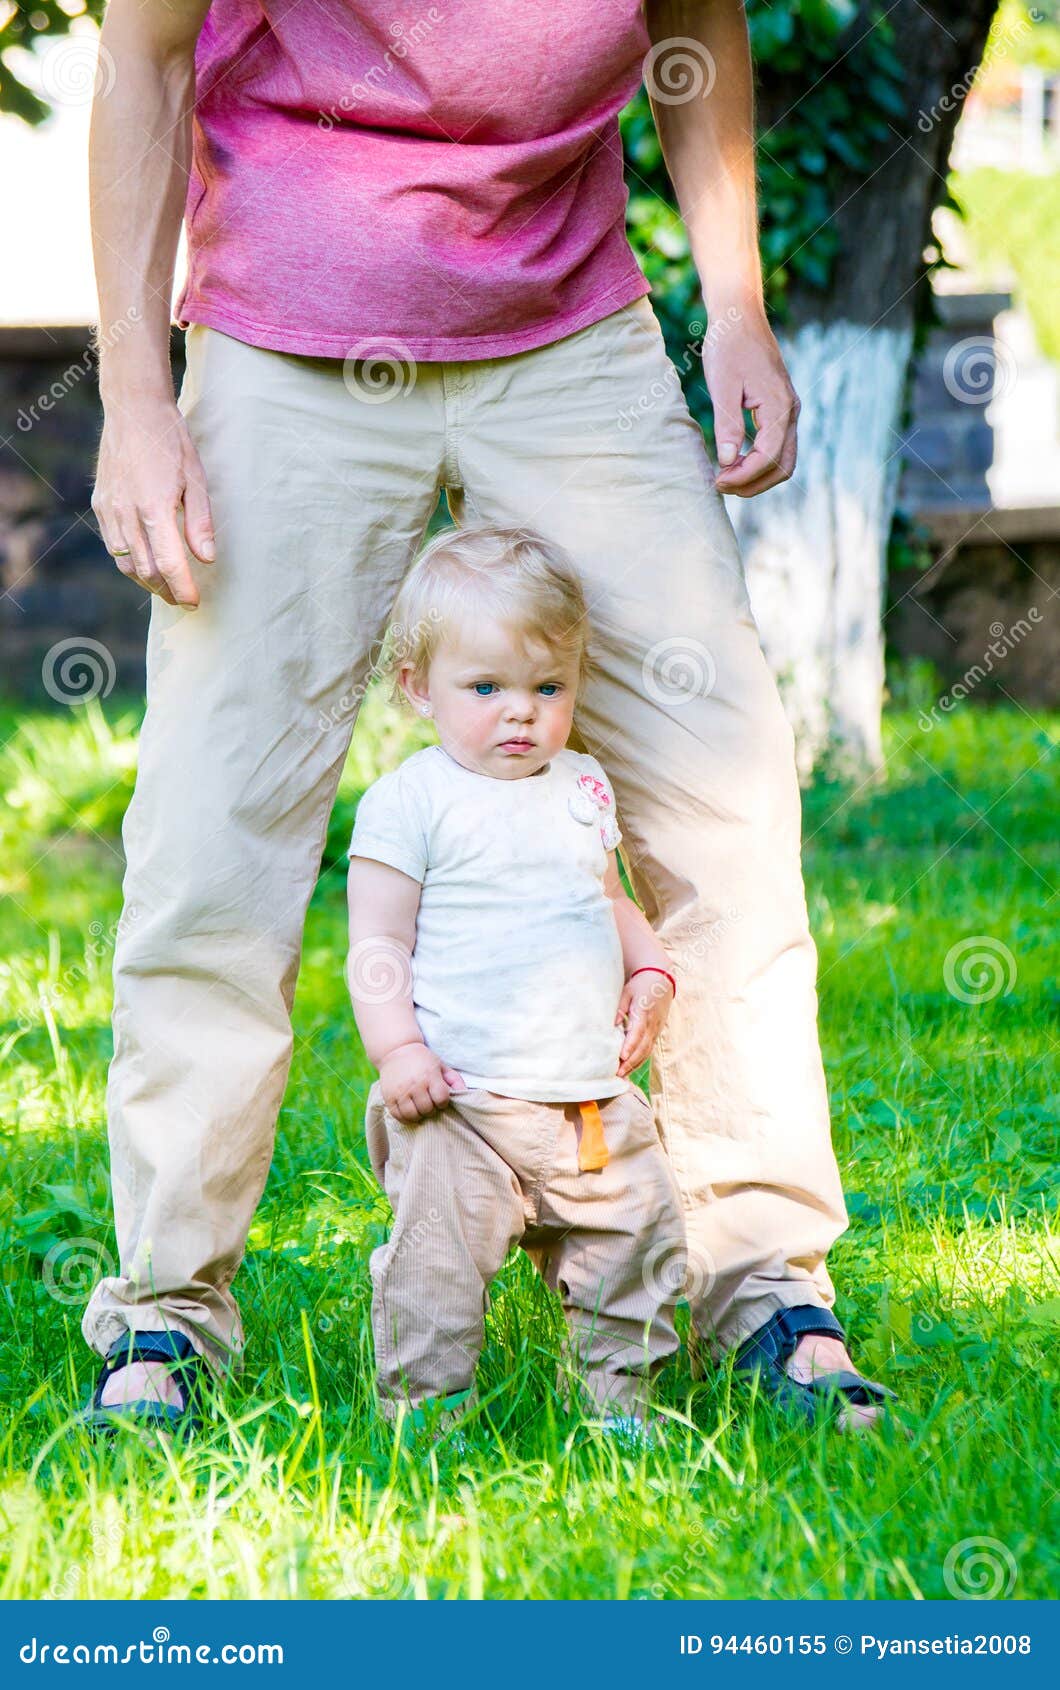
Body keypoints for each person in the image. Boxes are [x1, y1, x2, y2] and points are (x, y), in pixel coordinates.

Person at [82, 0, 896, 1436]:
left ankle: (766, 1283)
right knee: (214, 836)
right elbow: (141, 58)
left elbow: (693, 26)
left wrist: (737, 309)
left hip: (566, 336)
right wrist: (136, 399)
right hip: (289, 335)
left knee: (722, 797)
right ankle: (166, 1308)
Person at [347, 525, 686, 1437]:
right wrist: (399, 1050)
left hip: (587, 1099)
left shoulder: (582, 784)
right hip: (462, 1102)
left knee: (634, 1241)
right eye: (486, 688)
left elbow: (607, 898)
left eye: (548, 688)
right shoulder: (411, 801)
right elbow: (377, 944)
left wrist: (649, 964)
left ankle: (618, 1399)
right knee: (436, 1266)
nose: (521, 714)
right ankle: (426, 1411)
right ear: (418, 686)